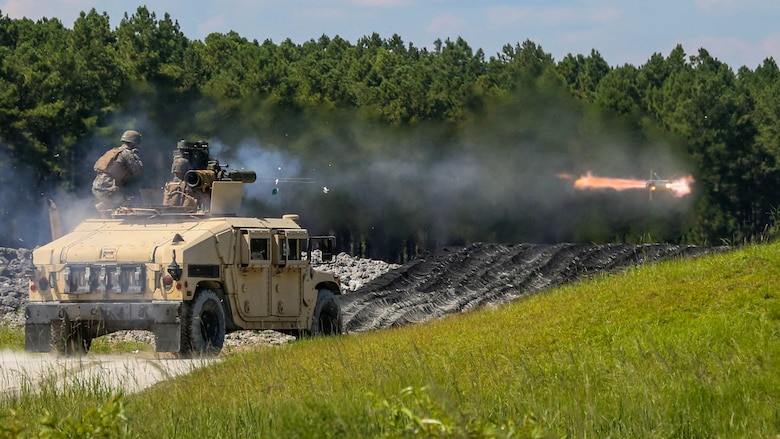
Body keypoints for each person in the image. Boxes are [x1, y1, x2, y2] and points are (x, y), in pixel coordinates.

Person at [92, 130, 143, 210]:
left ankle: (99, 209)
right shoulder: (127, 153)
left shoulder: (113, 151)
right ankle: (99, 211)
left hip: (98, 187)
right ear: (135, 143)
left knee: (116, 204)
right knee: (128, 206)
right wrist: (136, 157)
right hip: (109, 188)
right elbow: (138, 170)